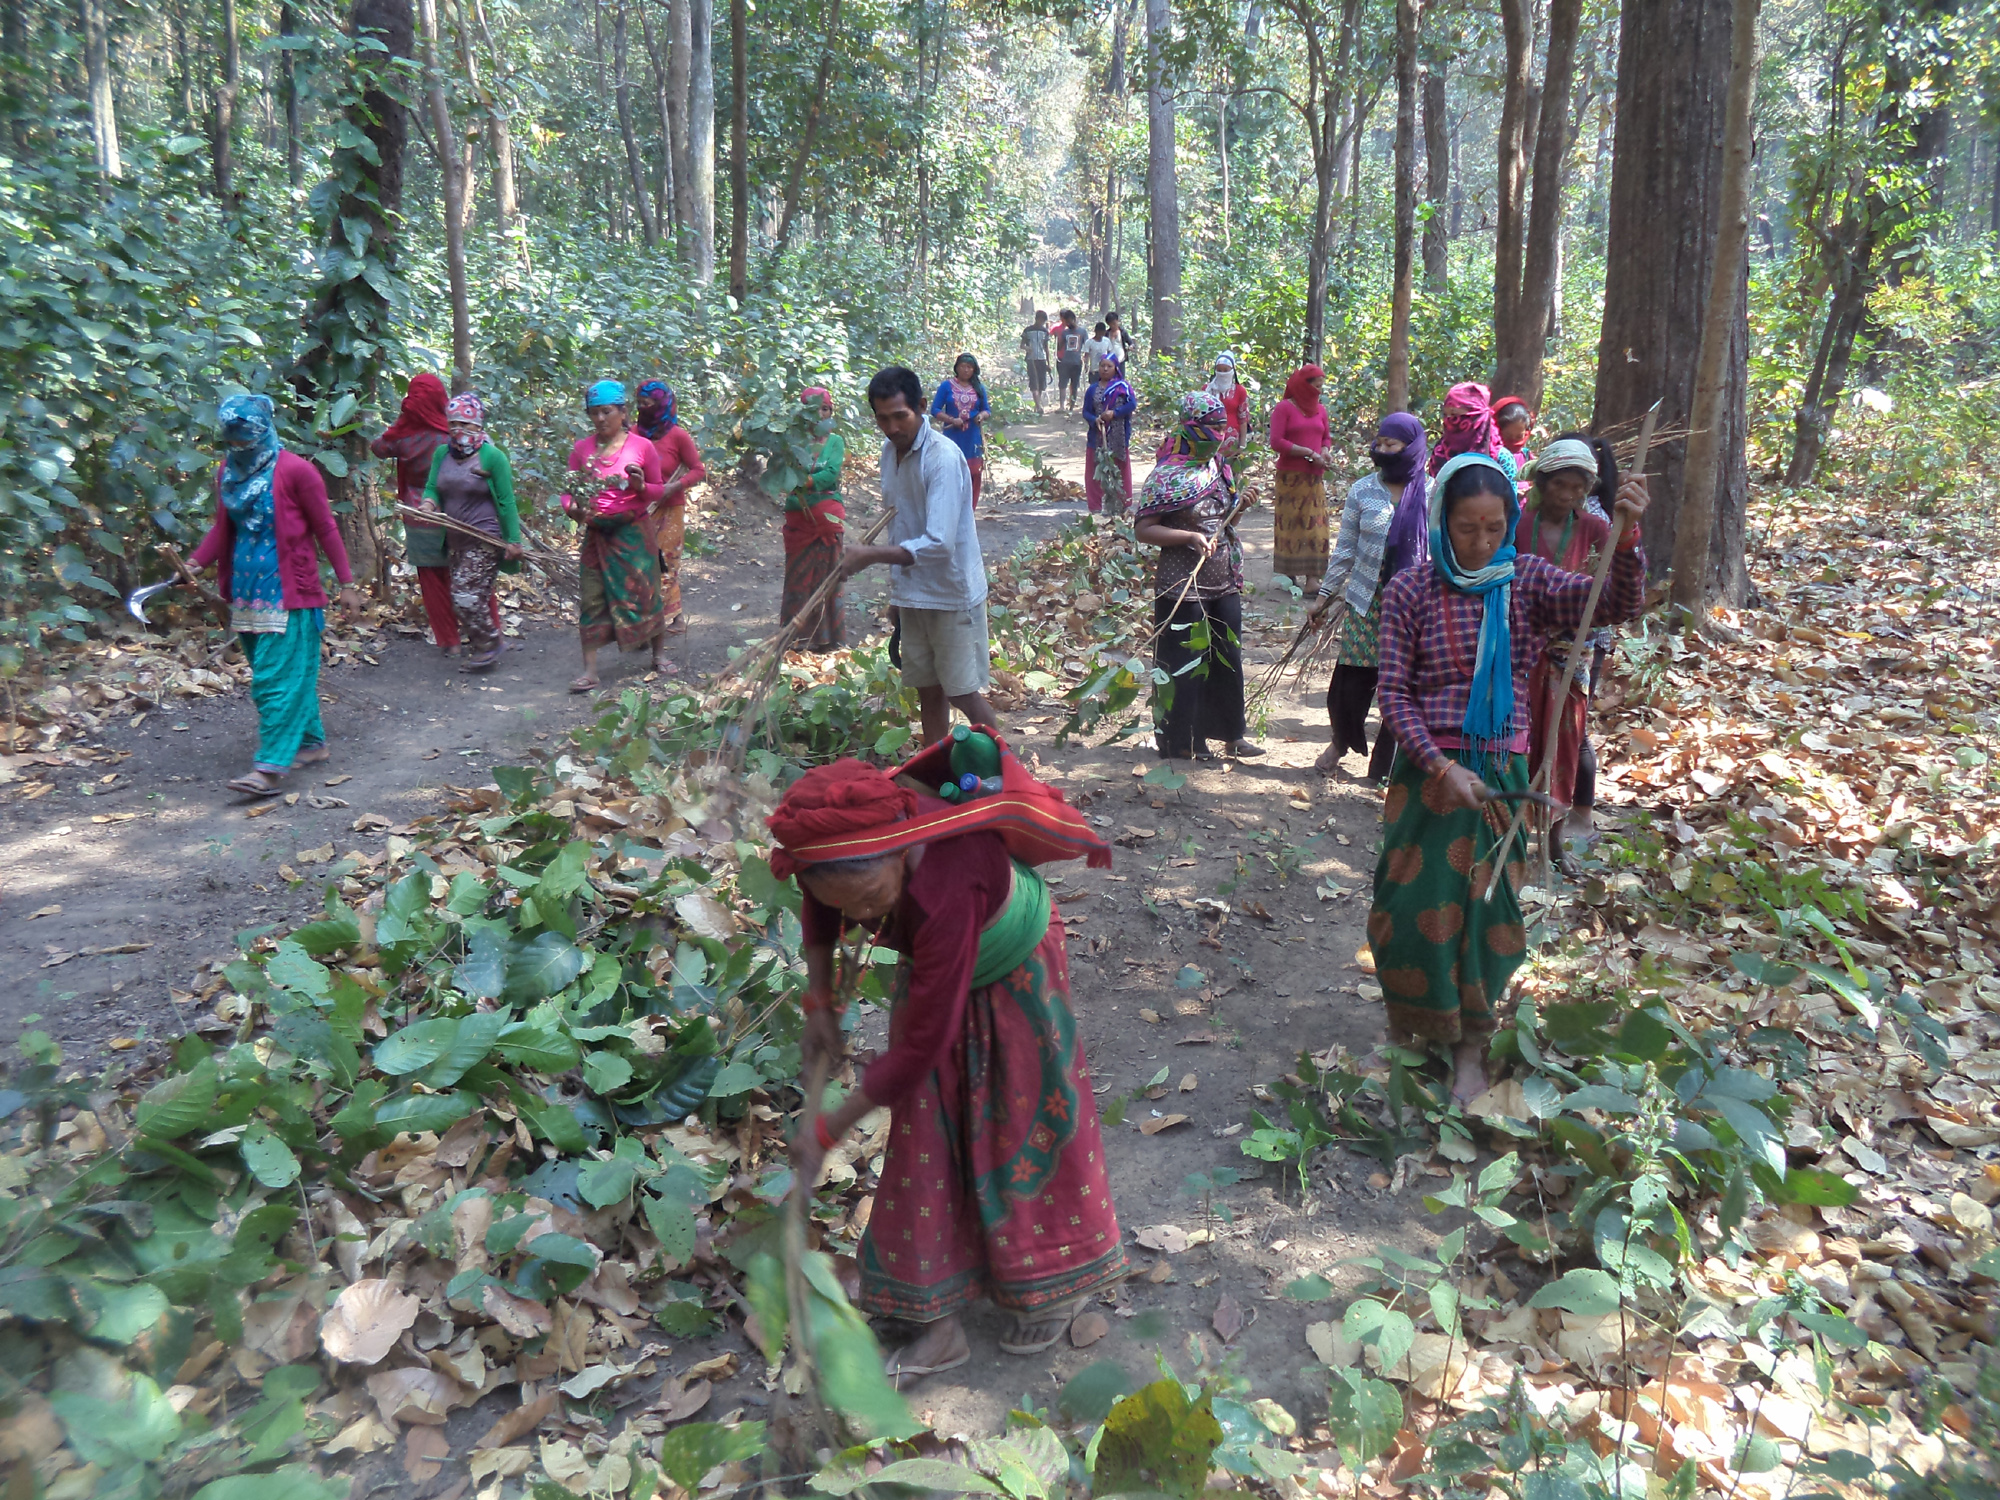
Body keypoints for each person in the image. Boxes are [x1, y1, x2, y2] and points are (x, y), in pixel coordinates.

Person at [776, 748, 1126, 1381]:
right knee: (926, 1132)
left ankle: (1055, 1278)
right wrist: (820, 999)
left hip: (1013, 963)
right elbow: (822, 901)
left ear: (900, 850)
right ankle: (938, 1322)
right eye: (850, 905)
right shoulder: (846, 854)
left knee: (1019, 1120)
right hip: (937, 961)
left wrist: (825, 1130)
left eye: (872, 898)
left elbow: (916, 1052)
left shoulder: (947, 884)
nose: (863, 917)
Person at [1371, 453, 1650, 1101]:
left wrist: (1626, 536)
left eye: (1494, 527)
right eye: (1467, 528)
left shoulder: (1526, 582)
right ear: (1442, 522)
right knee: (1408, 905)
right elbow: (1394, 695)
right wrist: (1439, 765)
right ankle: (1415, 1025)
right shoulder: (1409, 591)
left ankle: (1470, 1042)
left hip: (1501, 770)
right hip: (1427, 774)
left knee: (1486, 911)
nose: (1481, 542)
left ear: (1511, 521)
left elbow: (1609, 603)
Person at [188, 394, 362, 797]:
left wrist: (347, 584)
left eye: (245, 441)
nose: (239, 450)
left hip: (290, 593)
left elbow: (326, 528)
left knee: (274, 681)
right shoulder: (227, 473)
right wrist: (196, 563)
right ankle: (311, 745)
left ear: (263, 432)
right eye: (232, 443)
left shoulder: (297, 471)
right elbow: (222, 528)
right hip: (246, 594)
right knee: (282, 673)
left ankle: (269, 766)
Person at [842, 366, 999, 745]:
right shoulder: (887, 453)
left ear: (922, 408)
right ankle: (937, 769)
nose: (892, 427)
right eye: (882, 418)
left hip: (951, 593)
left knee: (962, 692)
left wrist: (873, 555)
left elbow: (940, 543)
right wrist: (898, 598)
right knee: (928, 690)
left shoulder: (942, 458)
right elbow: (902, 525)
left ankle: (1005, 775)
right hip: (914, 594)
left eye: (900, 416)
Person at [1133, 391, 1262, 761]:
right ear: (1192, 428)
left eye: (1224, 427)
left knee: (1227, 655)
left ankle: (1231, 734)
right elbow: (1144, 530)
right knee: (1184, 662)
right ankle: (1183, 740)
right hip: (1181, 583)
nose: (1221, 435)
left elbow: (1223, 521)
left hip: (1222, 577)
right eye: (1213, 428)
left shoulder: (1219, 467)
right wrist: (1188, 537)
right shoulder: (1165, 474)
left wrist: (1241, 507)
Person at [1307, 413, 1428, 779]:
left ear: (1413, 447)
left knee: (1403, 683)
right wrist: (1324, 597)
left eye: (1393, 445)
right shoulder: (1363, 491)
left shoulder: (1434, 492)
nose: (1384, 451)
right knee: (1350, 682)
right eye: (1380, 444)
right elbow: (1345, 550)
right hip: (1367, 599)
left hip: (1414, 605)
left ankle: (1385, 767)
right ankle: (1341, 741)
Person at [1518, 434, 1620, 847]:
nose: (1569, 494)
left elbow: (1611, 588)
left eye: (1578, 487)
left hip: (1573, 650)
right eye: (1560, 484)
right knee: (1520, 734)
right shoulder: (1521, 523)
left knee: (1565, 739)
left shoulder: (1596, 528)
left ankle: (1555, 837)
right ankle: (1512, 828)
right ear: (1543, 483)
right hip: (1522, 645)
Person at [373, 373, 494, 655]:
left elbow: (378, 447)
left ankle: (449, 642)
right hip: (461, 515)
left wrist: (402, 422)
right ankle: (487, 635)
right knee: (475, 576)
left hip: (420, 516)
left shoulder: (403, 438)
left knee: (433, 581)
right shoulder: (456, 433)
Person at [562, 379, 668, 691]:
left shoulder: (642, 447)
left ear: (623, 412)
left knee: (647, 591)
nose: (600, 419)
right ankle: (590, 670)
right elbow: (568, 491)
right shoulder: (581, 449)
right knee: (591, 596)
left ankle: (659, 656)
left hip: (633, 533)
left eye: (606, 411)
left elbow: (657, 489)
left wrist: (639, 487)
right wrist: (574, 510)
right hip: (597, 534)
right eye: (594, 413)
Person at [424, 393, 524, 673]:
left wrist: (513, 540)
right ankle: (485, 646)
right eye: (455, 424)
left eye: (468, 425)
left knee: (464, 596)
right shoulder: (442, 453)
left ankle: (490, 643)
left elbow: (506, 502)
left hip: (485, 538)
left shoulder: (492, 457)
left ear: (479, 427)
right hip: (455, 538)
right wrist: (427, 504)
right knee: (471, 597)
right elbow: (433, 486)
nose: (461, 431)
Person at [632, 380, 707, 637]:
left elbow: (698, 470)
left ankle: (658, 621)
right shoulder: (632, 434)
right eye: (640, 405)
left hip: (670, 508)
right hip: (641, 508)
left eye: (649, 405)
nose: (644, 409)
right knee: (641, 563)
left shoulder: (678, 436)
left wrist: (674, 487)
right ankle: (666, 616)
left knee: (666, 561)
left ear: (662, 405)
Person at [781, 386, 847, 650]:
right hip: (799, 518)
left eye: (825, 409)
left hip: (828, 519)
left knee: (829, 577)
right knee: (798, 578)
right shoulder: (790, 444)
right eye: (814, 409)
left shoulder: (835, 442)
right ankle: (796, 638)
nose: (820, 414)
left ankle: (829, 638)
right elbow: (785, 476)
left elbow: (830, 474)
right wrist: (802, 482)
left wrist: (805, 480)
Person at [1268, 364, 1334, 584]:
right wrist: (1306, 452)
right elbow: (1276, 442)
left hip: (1314, 477)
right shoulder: (1284, 408)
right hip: (1290, 478)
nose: (1319, 391)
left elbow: (1326, 437)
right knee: (1291, 525)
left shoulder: (1321, 410)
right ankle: (1290, 572)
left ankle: (1313, 579)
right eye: (1316, 386)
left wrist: (1324, 451)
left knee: (1316, 526)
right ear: (1303, 386)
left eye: (1321, 386)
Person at [930, 354, 991, 509]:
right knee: (952, 471)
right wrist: (951, 420)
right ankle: (952, 507)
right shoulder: (946, 386)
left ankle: (970, 509)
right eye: (963, 366)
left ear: (974, 370)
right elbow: (935, 409)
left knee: (974, 473)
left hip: (972, 436)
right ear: (956, 367)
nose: (966, 370)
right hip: (952, 436)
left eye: (969, 367)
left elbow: (987, 410)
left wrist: (980, 416)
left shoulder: (978, 387)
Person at [1427, 381, 1518, 483]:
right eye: (1445, 414)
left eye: (1454, 415)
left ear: (1476, 416)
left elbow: (1510, 497)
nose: (1448, 421)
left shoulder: (1501, 458)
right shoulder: (1440, 452)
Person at [1081, 355, 1136, 516]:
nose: (1105, 369)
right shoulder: (1092, 389)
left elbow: (1132, 404)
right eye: (1102, 366)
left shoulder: (1123, 387)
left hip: (1118, 435)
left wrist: (1115, 413)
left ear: (1116, 368)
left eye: (1109, 366)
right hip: (1097, 436)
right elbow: (1086, 411)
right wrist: (1094, 419)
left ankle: (1124, 504)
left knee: (1121, 469)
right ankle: (1095, 508)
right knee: (1094, 470)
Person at [1207, 354, 1249, 460]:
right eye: (1219, 370)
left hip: (1232, 442)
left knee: (1231, 473)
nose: (1222, 373)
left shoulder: (1240, 391)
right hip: (1209, 440)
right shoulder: (1207, 390)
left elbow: (1243, 418)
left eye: (1226, 370)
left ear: (1232, 371)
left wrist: (1242, 444)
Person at [1493, 395, 1535, 479]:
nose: (1514, 441)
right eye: (1508, 436)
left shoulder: (1527, 456)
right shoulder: (1491, 455)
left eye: (1519, 436)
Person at [1054, 310, 1087, 413]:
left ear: (1074, 319)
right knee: (1062, 384)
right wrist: (1059, 339)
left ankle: (1071, 406)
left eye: (1069, 321)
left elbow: (1087, 346)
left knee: (1074, 384)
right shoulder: (1065, 332)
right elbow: (1059, 347)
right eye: (1066, 322)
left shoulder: (1082, 332)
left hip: (1077, 362)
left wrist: (1086, 360)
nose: (1068, 324)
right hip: (1065, 362)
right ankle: (1062, 406)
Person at [1020, 311, 1052, 415]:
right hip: (1031, 359)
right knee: (1034, 383)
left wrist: (1048, 362)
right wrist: (1027, 348)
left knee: (1041, 383)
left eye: (1043, 321)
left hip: (1041, 359)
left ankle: (1037, 404)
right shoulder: (1028, 330)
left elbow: (1046, 348)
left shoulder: (1045, 331)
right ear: (1037, 319)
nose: (1042, 322)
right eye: (1041, 320)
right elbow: (1022, 345)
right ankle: (1038, 406)